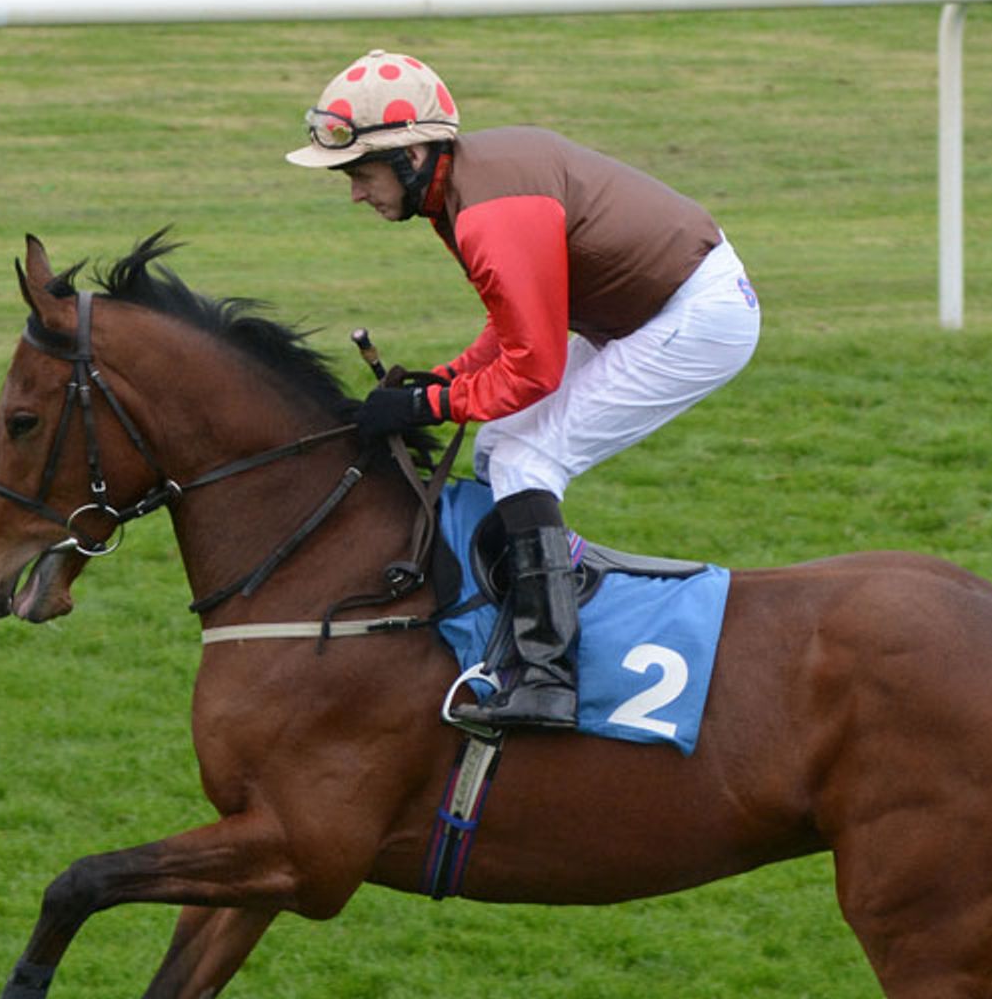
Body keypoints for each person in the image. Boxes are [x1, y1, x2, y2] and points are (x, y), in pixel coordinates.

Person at [287, 49, 761, 731]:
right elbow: (517, 324)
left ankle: (549, 676)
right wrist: (446, 378)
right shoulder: (461, 187)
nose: (356, 193)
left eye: (359, 174)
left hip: (695, 318)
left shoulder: (485, 213)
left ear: (413, 155)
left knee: (524, 461)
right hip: (644, 310)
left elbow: (533, 367)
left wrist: (426, 405)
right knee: (501, 446)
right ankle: (529, 610)